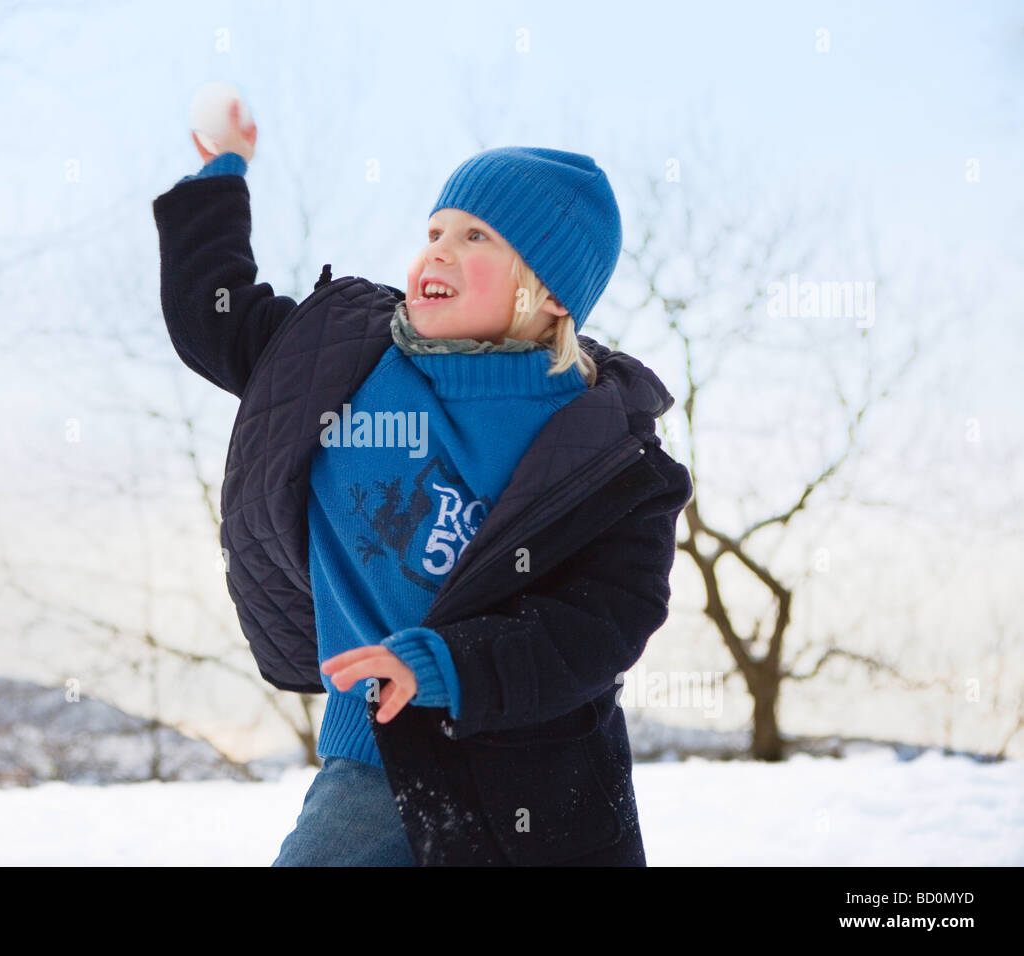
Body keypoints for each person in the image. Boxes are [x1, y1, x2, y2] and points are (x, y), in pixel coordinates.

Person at [154, 100, 693, 866]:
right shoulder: (339, 356)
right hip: (378, 756)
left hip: (538, 784)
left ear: (549, 292)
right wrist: (222, 169)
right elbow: (213, 317)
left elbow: (601, 623)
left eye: (476, 236)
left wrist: (446, 663)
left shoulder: (607, 451)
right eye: (434, 231)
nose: (437, 251)